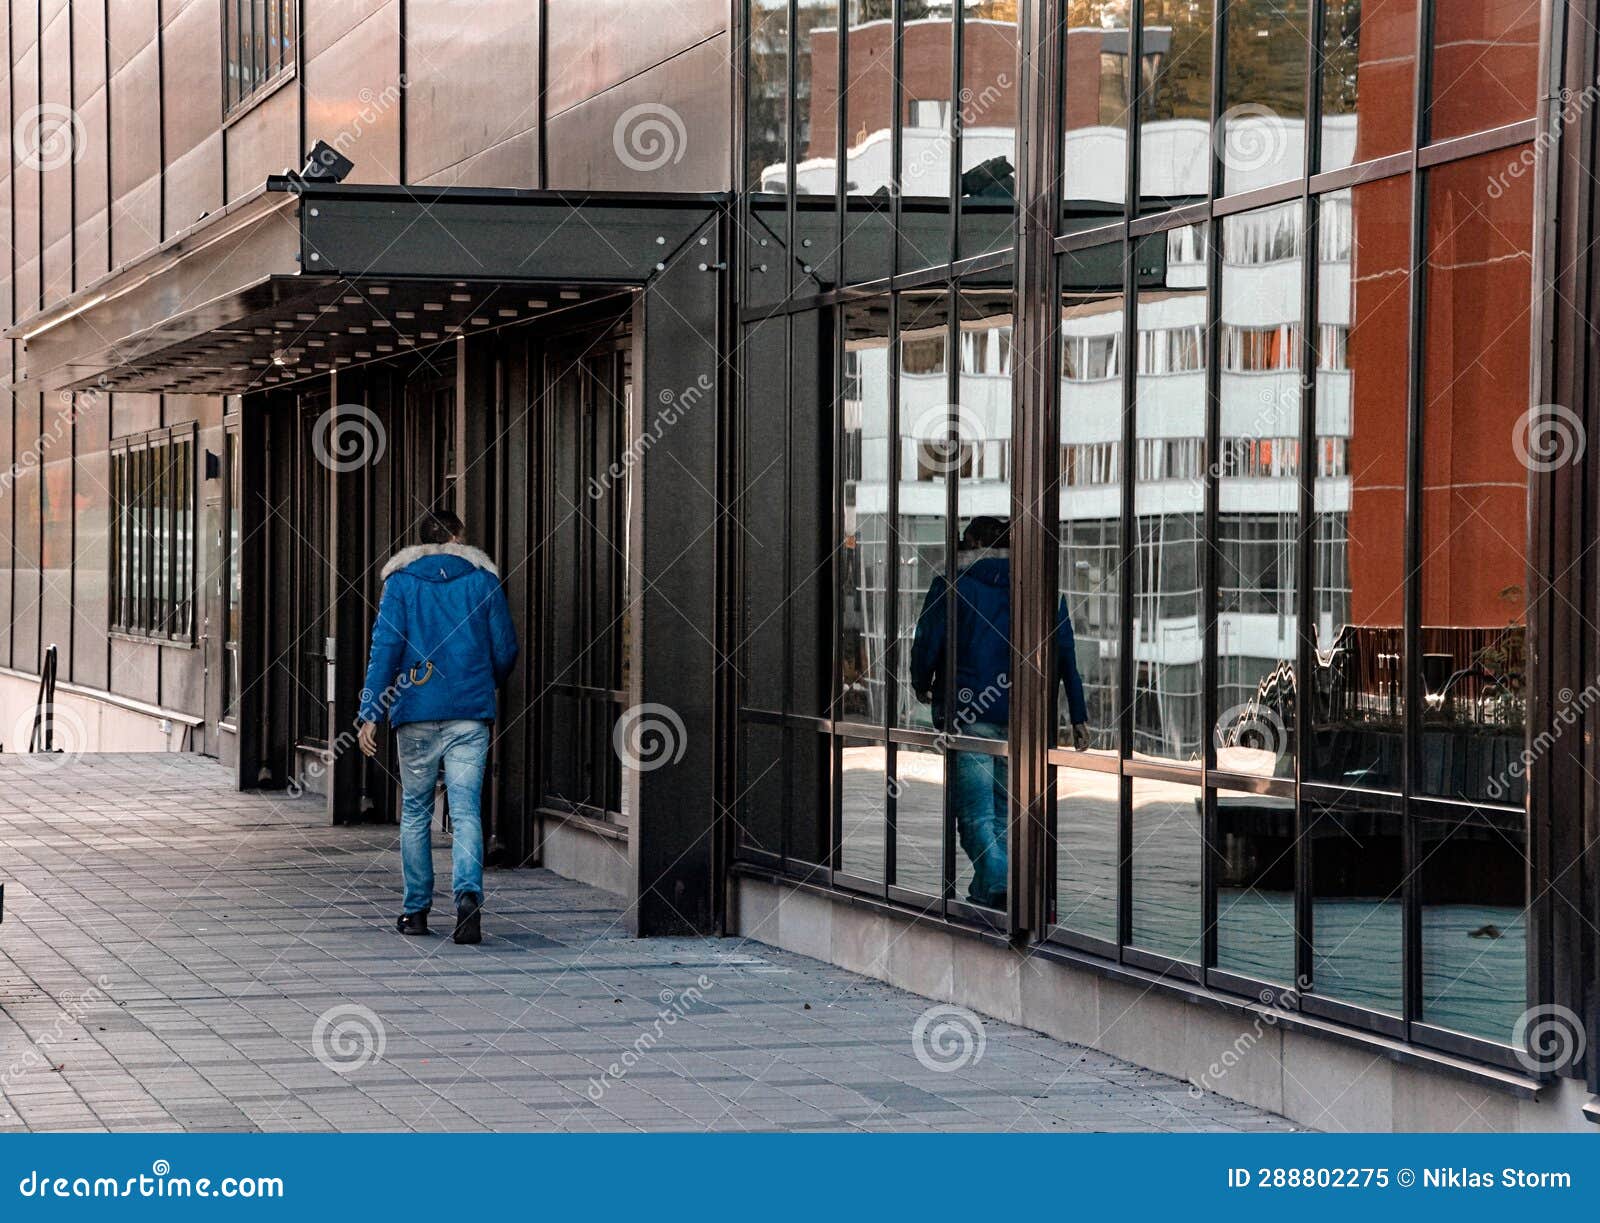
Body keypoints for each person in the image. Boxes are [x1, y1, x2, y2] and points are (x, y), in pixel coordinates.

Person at [909, 516, 1090, 909]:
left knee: (975, 812)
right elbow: (1065, 656)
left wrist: (920, 682)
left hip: (969, 710)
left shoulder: (952, 584)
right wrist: (1077, 714)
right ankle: (998, 886)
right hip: (1025, 718)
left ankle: (995, 884)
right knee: (1007, 811)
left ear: (970, 544)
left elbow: (927, 641)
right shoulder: (1044, 591)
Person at [356, 508, 518, 944]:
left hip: (415, 711)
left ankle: (416, 912)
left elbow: (384, 651)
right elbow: (506, 648)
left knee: (415, 811)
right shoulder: (483, 581)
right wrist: (483, 682)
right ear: (458, 538)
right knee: (466, 811)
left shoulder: (401, 584)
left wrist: (370, 711)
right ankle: (467, 897)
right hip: (470, 712)